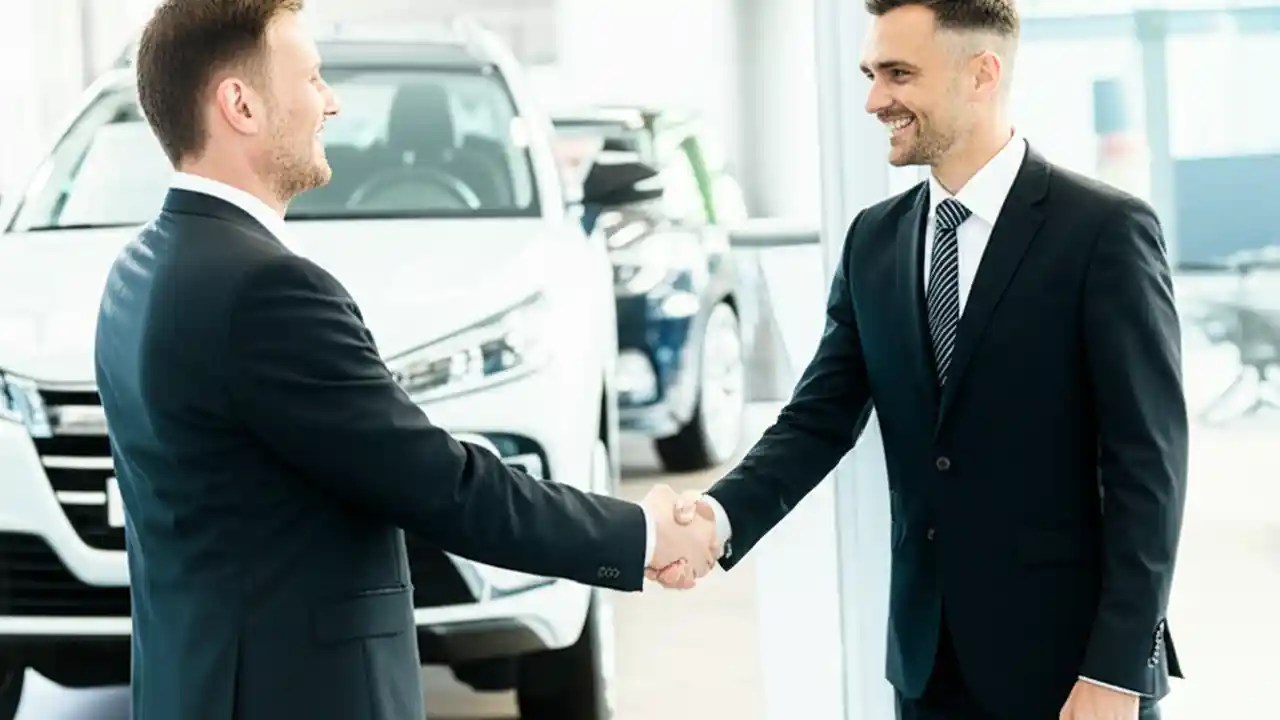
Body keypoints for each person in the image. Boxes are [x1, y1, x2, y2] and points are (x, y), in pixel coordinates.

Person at [93, 2, 716, 718]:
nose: (329, 102)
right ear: (240, 104)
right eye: (313, 78)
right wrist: (642, 536)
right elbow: (443, 484)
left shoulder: (139, 269)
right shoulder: (266, 290)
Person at [654, 1, 1188, 718]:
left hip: (1070, 669)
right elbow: (816, 421)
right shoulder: (875, 241)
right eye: (872, 74)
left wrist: (1118, 672)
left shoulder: (1105, 232)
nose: (876, 99)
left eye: (899, 74)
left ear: (982, 74)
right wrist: (715, 520)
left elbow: (1148, 468)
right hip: (927, 664)